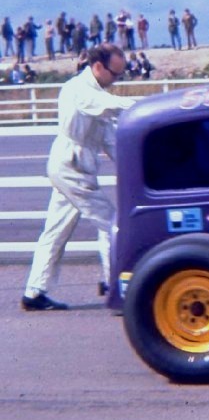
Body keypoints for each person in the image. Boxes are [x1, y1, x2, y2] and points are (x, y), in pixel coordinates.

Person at [22, 44, 135, 311]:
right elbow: (107, 107)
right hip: (71, 168)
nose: (116, 80)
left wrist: (132, 168)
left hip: (76, 168)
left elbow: (110, 141)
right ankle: (113, 286)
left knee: (55, 231)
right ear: (98, 67)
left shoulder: (97, 93)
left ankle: (34, 292)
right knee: (112, 223)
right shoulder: (79, 90)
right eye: (115, 75)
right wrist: (144, 104)